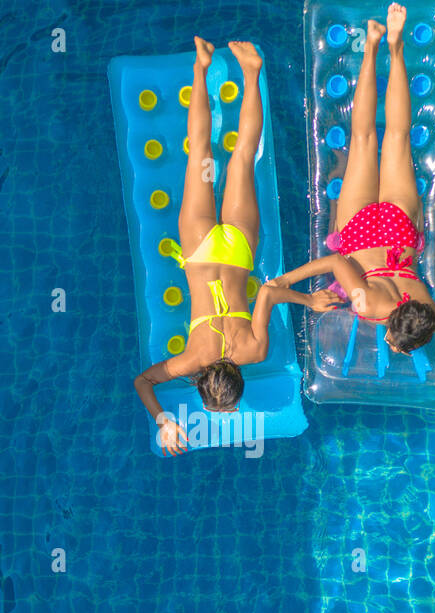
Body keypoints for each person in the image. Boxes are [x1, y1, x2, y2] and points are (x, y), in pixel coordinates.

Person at [267, 4, 435, 413]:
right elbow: (337, 263)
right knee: (360, 139)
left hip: (398, 231)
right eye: (398, 345)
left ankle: (393, 46)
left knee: (396, 137)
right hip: (360, 230)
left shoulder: (428, 311)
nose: (396, 349)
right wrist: (286, 282)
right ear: (393, 327)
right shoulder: (369, 305)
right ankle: (373, 46)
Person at [133, 38, 339, 456]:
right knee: (200, 158)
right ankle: (201, 66)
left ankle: (250, 71)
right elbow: (142, 381)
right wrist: (163, 420)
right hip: (200, 246)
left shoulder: (253, 350)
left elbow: (267, 291)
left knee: (243, 157)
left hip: (239, 248)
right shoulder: (191, 360)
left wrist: (306, 300)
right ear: (204, 379)